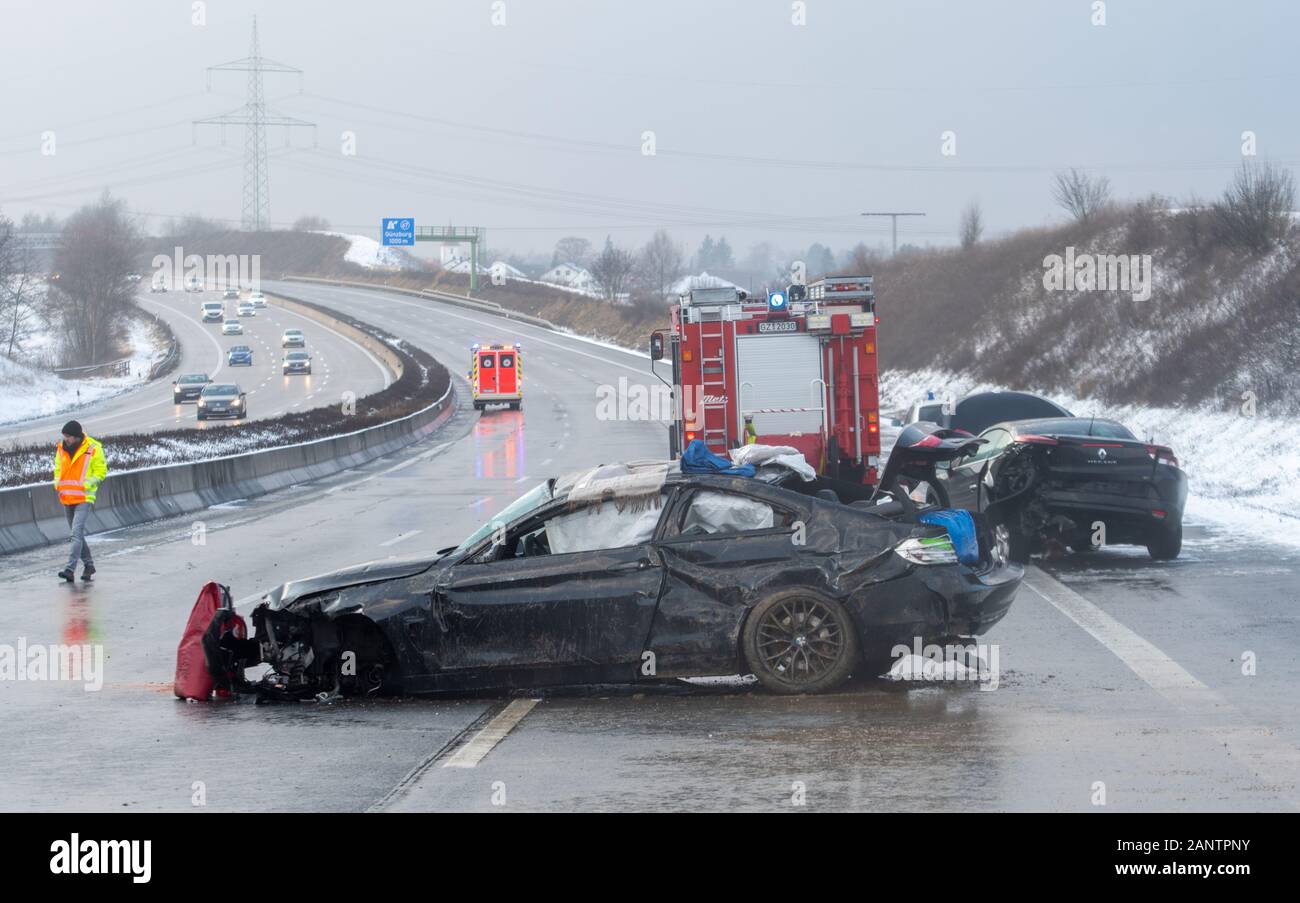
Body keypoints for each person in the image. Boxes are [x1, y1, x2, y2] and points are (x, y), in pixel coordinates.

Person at [53, 421, 106, 582]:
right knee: (77, 535)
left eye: (68, 436)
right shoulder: (61, 448)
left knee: (75, 534)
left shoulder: (93, 448)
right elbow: (58, 468)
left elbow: (101, 471)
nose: (66, 439)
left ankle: (70, 569)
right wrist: (57, 484)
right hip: (67, 496)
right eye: (65, 436)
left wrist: (88, 484)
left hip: (83, 497)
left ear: (76, 436)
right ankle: (89, 566)